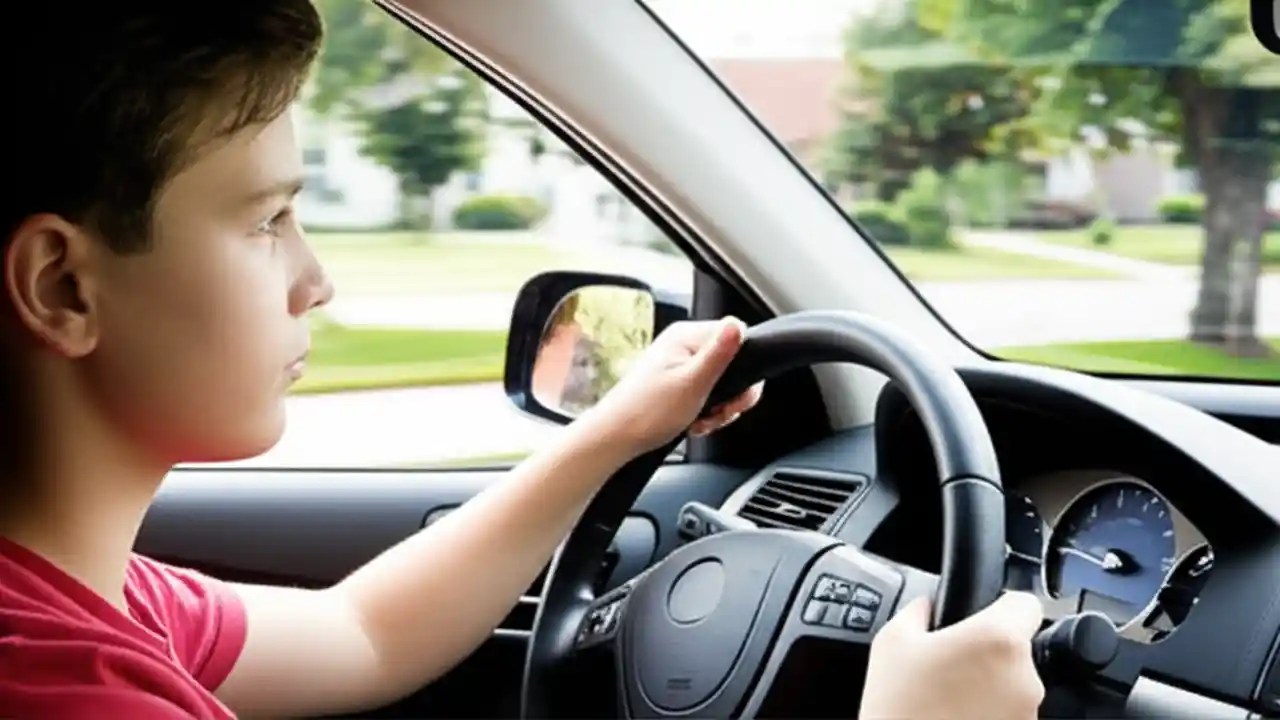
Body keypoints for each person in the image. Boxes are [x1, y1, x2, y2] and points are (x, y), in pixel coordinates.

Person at [0, 2, 1044, 718]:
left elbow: (363, 633)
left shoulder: (78, 603)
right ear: (62, 287)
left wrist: (617, 428)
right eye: (266, 220)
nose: (315, 282)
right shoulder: (63, 686)